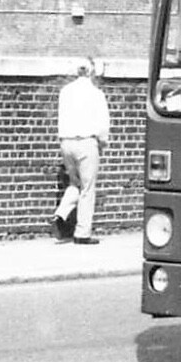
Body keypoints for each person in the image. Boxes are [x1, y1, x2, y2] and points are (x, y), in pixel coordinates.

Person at [51, 58, 110, 245]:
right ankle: (82, 233)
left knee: (75, 183)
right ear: (92, 72)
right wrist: (103, 142)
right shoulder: (96, 94)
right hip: (86, 142)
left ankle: (61, 214)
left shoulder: (65, 92)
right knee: (87, 188)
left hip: (66, 141)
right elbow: (102, 125)